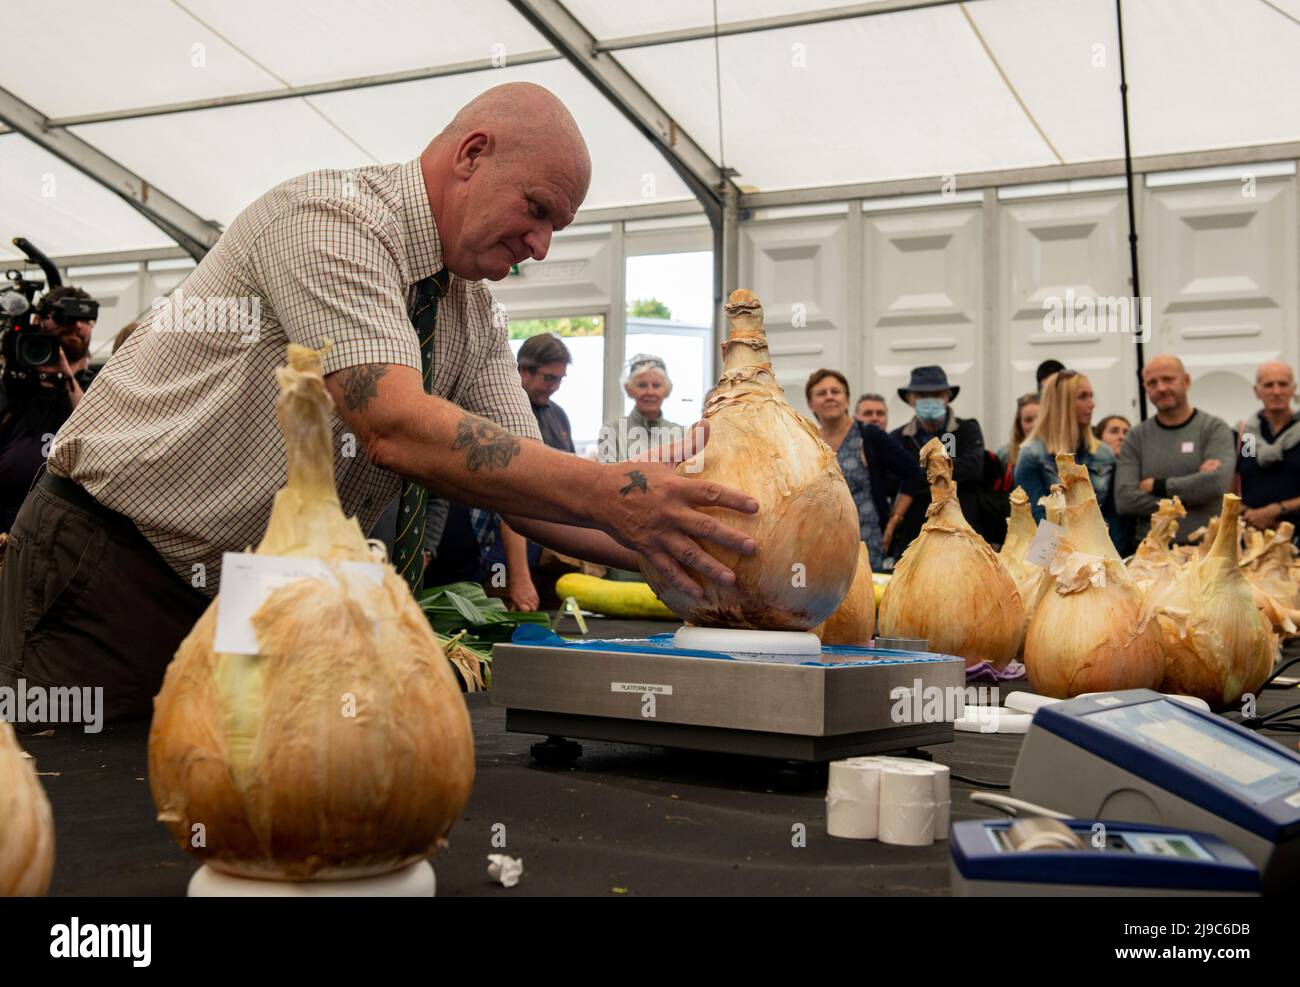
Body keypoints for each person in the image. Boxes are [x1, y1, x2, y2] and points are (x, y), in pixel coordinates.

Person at [0, 83, 759, 722]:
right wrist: (619, 492)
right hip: (112, 570)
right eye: (536, 209)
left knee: (238, 819)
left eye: (555, 228)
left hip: (256, 603)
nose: (540, 246)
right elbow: (393, 424)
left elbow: (536, 490)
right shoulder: (330, 221)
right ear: (472, 154)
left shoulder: (472, 311)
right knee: (82, 818)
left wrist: (699, 548)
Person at [0, 286, 98, 532]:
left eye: (85, 318)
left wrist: (66, 378)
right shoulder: (13, 387)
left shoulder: (100, 386)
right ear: (39, 320)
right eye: (65, 317)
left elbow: (97, 434)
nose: (76, 324)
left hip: (67, 535)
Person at [806, 370, 925, 570]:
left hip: (865, 542)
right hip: (820, 542)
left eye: (836, 391)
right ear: (811, 404)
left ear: (846, 400)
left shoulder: (869, 435)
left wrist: (895, 519)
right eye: (821, 393)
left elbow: (913, 473)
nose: (829, 396)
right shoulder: (807, 440)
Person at [1115, 355, 1234, 544]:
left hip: (1207, 551)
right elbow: (1124, 500)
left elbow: (1217, 483)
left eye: (1168, 379)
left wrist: (1156, 486)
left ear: (1186, 381)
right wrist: (1185, 501)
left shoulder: (1214, 428)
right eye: (1152, 383)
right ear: (1145, 389)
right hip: (1152, 554)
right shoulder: (1135, 437)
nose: (1161, 388)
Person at [889, 365, 989, 554]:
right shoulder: (898, 438)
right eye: (921, 396)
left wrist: (914, 478)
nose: (929, 401)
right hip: (914, 538)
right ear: (910, 400)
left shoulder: (967, 430)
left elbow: (973, 470)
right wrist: (945, 473)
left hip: (962, 533)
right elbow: (892, 481)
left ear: (947, 397)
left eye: (936, 394)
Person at [1014, 371, 1117, 536]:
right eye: (1083, 397)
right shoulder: (1031, 454)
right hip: (1052, 552)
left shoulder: (1103, 453)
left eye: (1091, 396)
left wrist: (1113, 557)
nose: (1092, 404)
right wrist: (1058, 560)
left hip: (1100, 551)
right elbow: (1037, 519)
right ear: (1061, 403)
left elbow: (1113, 516)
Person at [1235, 360, 1300, 538]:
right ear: (1257, 391)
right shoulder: (1246, 434)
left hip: (1295, 536)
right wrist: (1249, 513)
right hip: (1252, 535)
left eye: (1283, 384)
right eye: (1269, 385)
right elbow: (1234, 483)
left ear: (1294, 389)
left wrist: (1277, 510)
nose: (1276, 391)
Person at [598, 353, 684, 463]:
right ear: (629, 389)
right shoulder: (611, 432)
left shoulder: (680, 434)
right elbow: (609, 477)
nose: (650, 392)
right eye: (642, 385)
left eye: (656, 385)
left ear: (667, 390)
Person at [997, 392, 1039, 482]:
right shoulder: (1004, 455)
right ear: (1019, 424)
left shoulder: (1059, 455)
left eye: (1040, 419)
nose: (1035, 425)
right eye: (1028, 420)